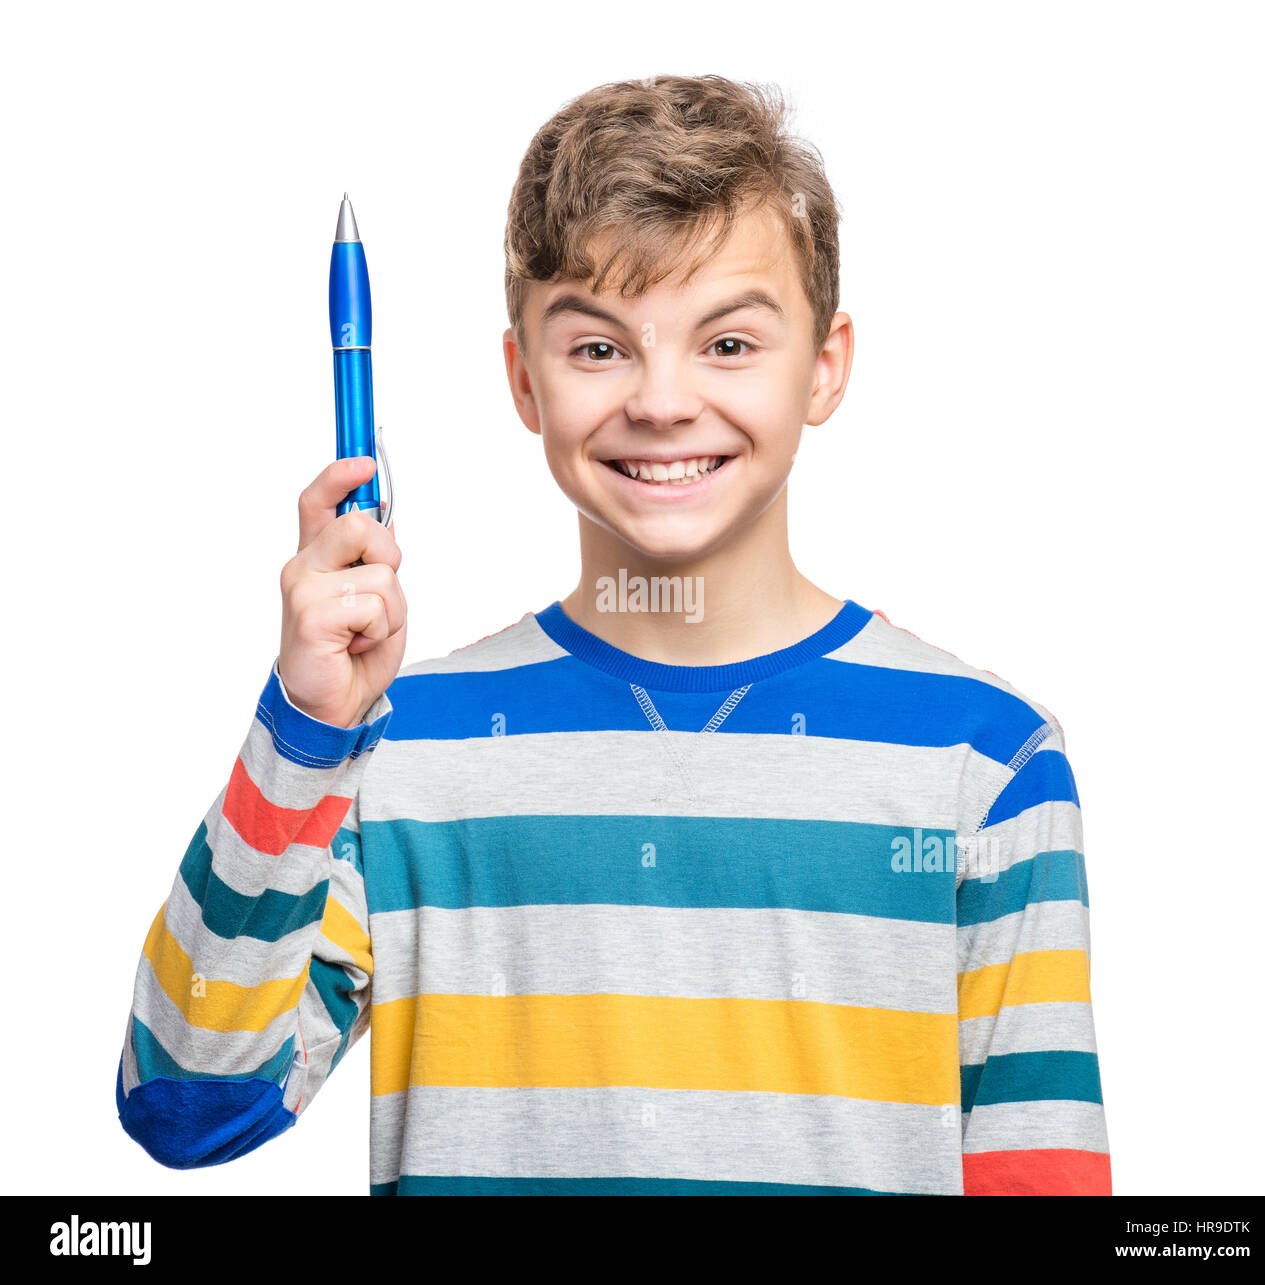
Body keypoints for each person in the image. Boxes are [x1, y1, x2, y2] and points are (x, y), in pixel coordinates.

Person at [115, 73, 1111, 1196]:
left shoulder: (986, 761)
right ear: (522, 379)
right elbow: (185, 1103)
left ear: (825, 365)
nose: (662, 400)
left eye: (727, 343)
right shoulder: (400, 755)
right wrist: (303, 729)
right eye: (598, 349)